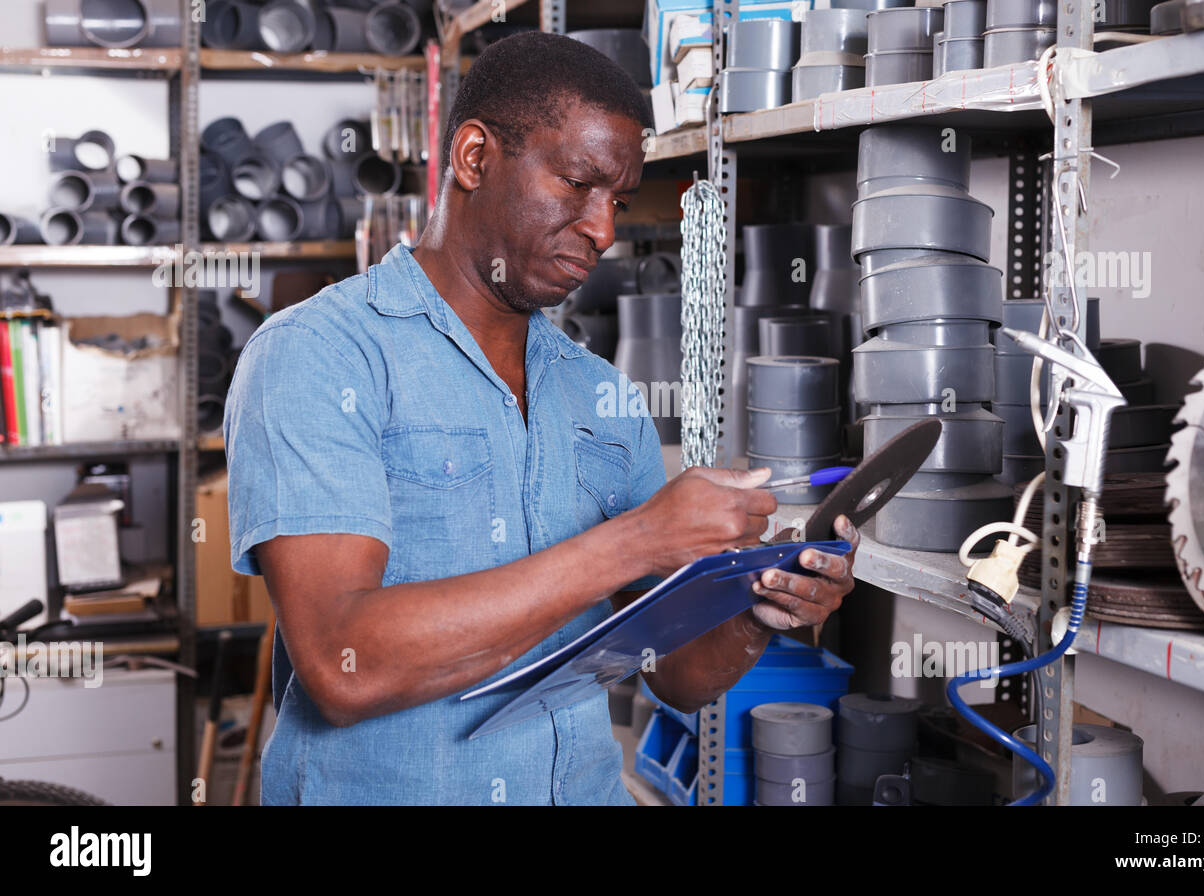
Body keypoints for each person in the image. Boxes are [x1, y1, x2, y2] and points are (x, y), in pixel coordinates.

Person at [223, 31, 860, 805]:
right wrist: (636, 538)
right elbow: (340, 663)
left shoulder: (598, 394)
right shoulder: (317, 357)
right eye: (577, 184)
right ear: (474, 156)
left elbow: (676, 676)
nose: (604, 230)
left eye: (618, 201)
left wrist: (762, 608)